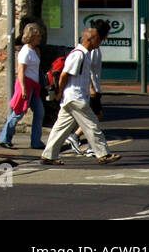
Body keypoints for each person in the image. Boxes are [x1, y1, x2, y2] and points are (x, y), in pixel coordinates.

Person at [41, 28, 121, 165]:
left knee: (60, 128)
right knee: (92, 124)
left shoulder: (86, 54)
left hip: (73, 98)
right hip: (75, 98)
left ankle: (49, 155)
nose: (100, 41)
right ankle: (103, 154)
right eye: (97, 38)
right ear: (89, 39)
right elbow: (64, 75)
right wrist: (60, 92)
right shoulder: (78, 55)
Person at [0, 22, 46, 149]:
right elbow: (21, 71)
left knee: (40, 112)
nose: (40, 38)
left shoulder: (34, 50)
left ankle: (36, 141)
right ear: (32, 36)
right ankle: (5, 138)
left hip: (34, 86)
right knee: (18, 112)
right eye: (38, 36)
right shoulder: (25, 52)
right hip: (25, 84)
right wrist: (24, 88)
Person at [66, 19, 109, 156]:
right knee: (93, 119)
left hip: (94, 87)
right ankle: (80, 140)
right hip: (91, 88)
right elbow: (88, 69)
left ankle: (80, 139)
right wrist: (92, 88)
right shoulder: (92, 49)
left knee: (93, 117)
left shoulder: (96, 47)